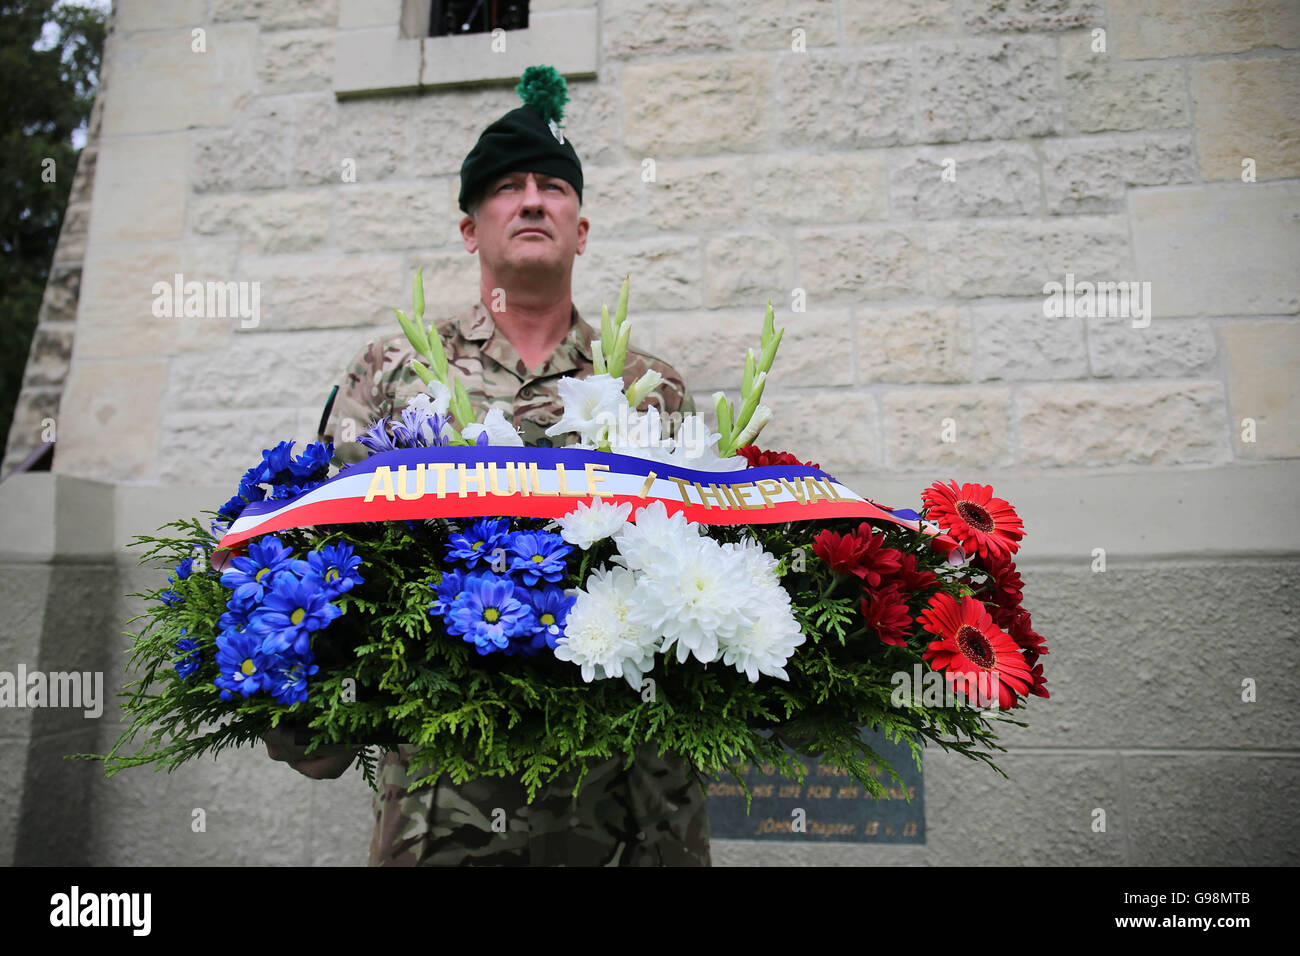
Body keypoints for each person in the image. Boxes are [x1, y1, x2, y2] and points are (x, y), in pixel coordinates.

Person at [264, 66, 711, 866]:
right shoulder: (399, 371)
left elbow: (701, 568)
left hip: (630, 802)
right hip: (447, 808)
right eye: (506, 187)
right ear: (471, 229)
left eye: (552, 187)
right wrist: (308, 712)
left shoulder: (652, 387)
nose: (533, 200)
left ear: (581, 227)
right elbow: (324, 552)